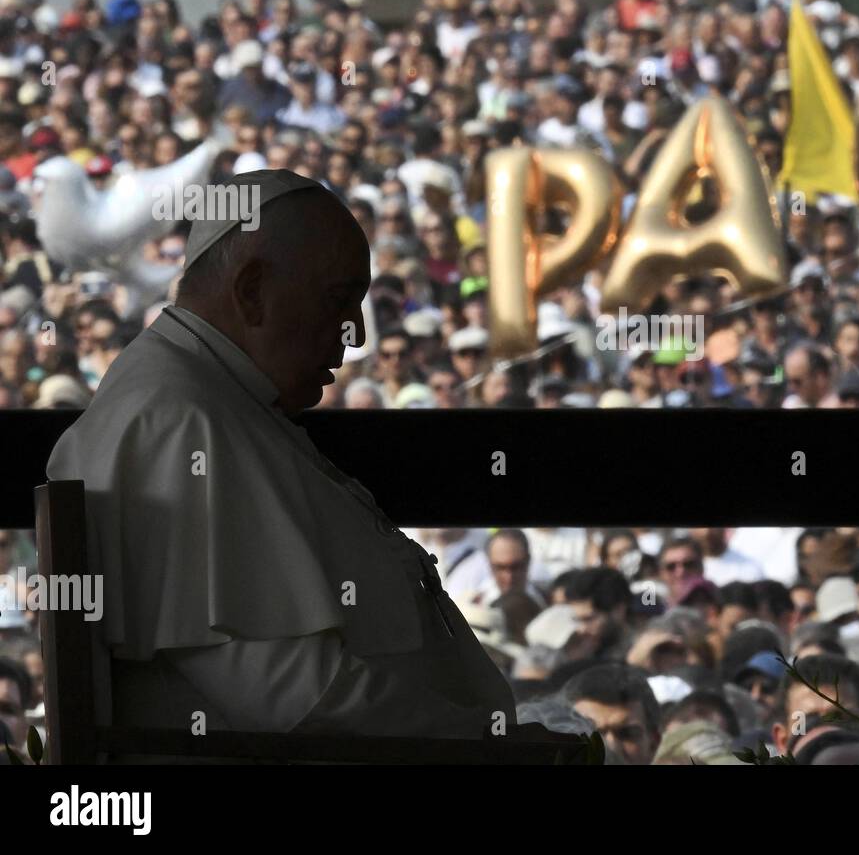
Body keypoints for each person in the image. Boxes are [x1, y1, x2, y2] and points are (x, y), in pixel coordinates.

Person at [46, 170, 519, 743]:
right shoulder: (175, 418)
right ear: (251, 292)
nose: (355, 333)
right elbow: (293, 698)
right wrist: (488, 746)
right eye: (338, 300)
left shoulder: (221, 400)